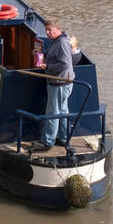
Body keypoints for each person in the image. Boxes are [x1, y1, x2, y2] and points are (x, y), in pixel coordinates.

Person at [32, 19, 74, 153]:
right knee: (62, 111)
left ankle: (48, 141)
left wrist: (47, 66)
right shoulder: (57, 41)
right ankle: (63, 137)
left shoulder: (62, 43)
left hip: (59, 83)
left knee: (52, 113)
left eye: (50, 30)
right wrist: (42, 56)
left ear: (57, 28)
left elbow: (64, 64)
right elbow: (56, 58)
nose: (47, 33)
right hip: (62, 83)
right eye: (46, 30)